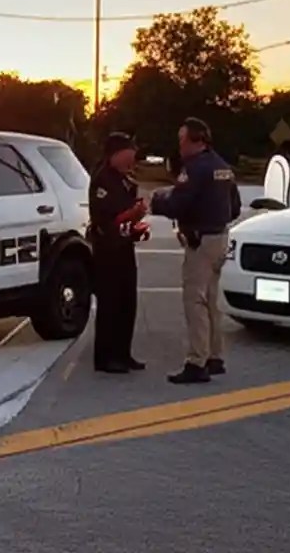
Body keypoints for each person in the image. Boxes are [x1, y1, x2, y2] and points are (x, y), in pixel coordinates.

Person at [150, 117, 241, 384]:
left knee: (195, 301)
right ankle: (215, 356)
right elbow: (234, 207)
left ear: (196, 141)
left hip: (200, 242)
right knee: (211, 300)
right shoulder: (222, 166)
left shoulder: (195, 168)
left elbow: (179, 204)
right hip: (219, 238)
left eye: (182, 140)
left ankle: (196, 362)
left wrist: (157, 203)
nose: (179, 146)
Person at [86, 132, 150, 374]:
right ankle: (106, 357)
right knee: (110, 305)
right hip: (107, 250)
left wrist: (137, 227)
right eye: (126, 157)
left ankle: (123, 353)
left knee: (127, 302)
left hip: (124, 247)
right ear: (114, 154)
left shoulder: (125, 181)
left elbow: (125, 218)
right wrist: (131, 215)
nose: (130, 163)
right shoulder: (103, 180)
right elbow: (105, 218)